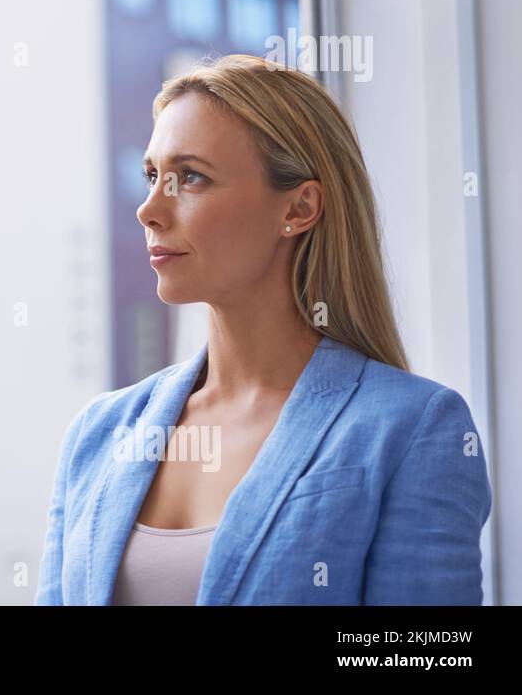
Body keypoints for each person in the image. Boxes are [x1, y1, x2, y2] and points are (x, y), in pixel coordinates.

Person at [35, 54, 492, 605]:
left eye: (191, 178)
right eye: (152, 176)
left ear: (299, 208)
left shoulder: (411, 429)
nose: (149, 209)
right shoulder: (98, 433)